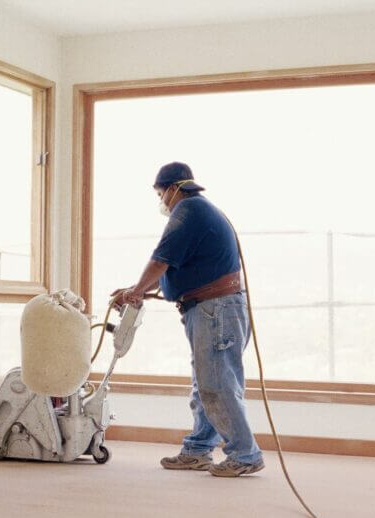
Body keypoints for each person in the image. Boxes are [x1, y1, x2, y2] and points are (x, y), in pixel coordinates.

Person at [110, 162, 265, 477]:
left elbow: (160, 262)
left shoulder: (188, 211)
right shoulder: (200, 211)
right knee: (206, 383)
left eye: (160, 194)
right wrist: (136, 291)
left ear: (172, 189)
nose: (161, 202)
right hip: (213, 308)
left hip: (215, 309)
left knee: (217, 384)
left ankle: (245, 455)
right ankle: (198, 449)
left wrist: (135, 292)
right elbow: (171, 270)